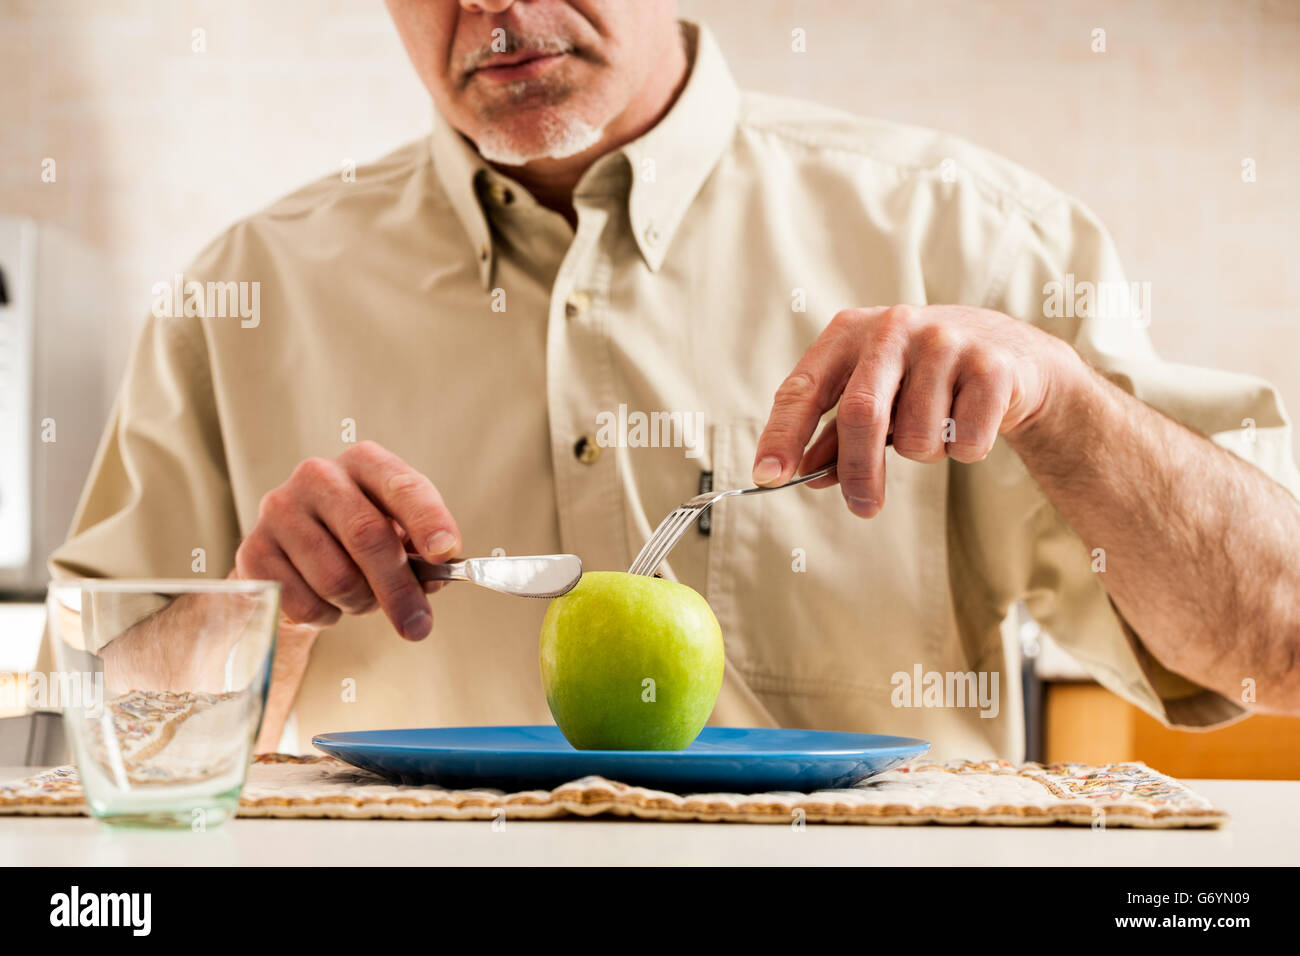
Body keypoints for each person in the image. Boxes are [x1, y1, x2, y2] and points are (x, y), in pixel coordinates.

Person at [41, 0, 1300, 759]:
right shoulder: (238, 298)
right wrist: (256, 615)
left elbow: (1279, 649)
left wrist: (1070, 411)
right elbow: (79, 757)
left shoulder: (973, 240)